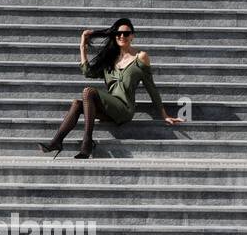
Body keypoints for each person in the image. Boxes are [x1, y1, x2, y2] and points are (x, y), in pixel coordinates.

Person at [37, 16, 182, 159]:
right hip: (110, 108)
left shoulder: (140, 57)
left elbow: (152, 88)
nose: (121, 36)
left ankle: (87, 143)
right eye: (118, 33)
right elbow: (88, 72)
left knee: (88, 92)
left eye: (126, 33)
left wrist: (164, 115)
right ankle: (57, 142)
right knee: (77, 104)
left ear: (132, 36)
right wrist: (82, 47)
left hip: (125, 109)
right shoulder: (110, 59)